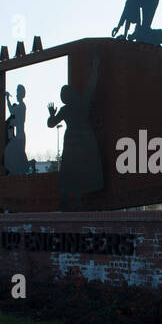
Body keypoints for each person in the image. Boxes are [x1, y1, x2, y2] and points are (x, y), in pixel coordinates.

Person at [46, 47, 103, 208]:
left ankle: (66, 201)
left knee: (69, 171)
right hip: (85, 140)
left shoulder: (65, 109)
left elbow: (51, 124)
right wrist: (95, 67)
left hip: (72, 141)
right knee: (81, 170)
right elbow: (92, 84)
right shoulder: (83, 104)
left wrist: (51, 114)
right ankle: (78, 201)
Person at [4, 84, 30, 175]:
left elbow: (11, 110)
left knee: (9, 154)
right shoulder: (20, 106)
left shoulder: (21, 106)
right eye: (16, 93)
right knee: (16, 157)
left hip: (20, 137)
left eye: (18, 93)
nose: (16, 95)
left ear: (21, 94)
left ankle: (29, 165)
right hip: (19, 137)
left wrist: (7, 99)